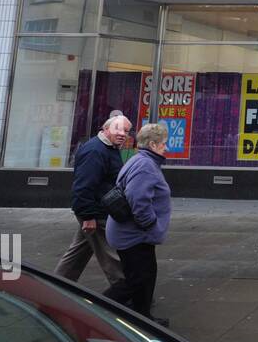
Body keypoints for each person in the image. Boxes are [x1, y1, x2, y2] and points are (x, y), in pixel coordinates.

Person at [55, 114, 133, 302]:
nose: (122, 134)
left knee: (78, 253)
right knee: (113, 257)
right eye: (118, 129)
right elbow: (84, 186)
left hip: (97, 209)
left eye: (126, 131)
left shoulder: (109, 148)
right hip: (96, 212)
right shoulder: (95, 151)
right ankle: (126, 295)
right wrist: (88, 215)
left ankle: (55, 286)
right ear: (106, 129)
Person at [106, 122, 173, 323]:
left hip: (132, 233)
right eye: (163, 143)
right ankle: (95, 306)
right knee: (137, 279)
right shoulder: (146, 166)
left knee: (144, 277)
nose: (166, 147)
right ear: (152, 144)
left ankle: (143, 318)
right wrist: (150, 224)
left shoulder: (140, 160)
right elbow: (138, 199)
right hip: (134, 235)